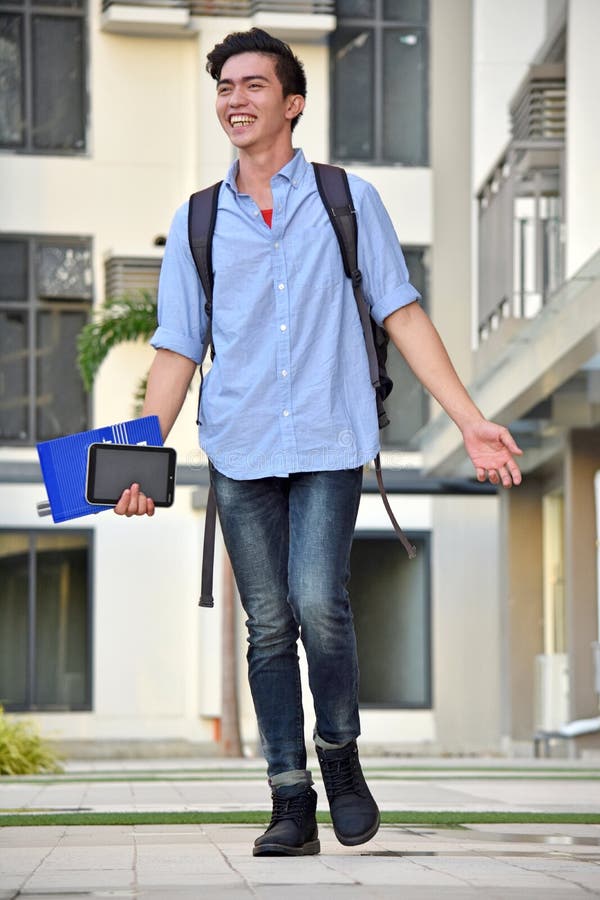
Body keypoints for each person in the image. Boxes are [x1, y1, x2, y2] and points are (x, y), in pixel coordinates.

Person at [116, 28, 523, 857]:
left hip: (333, 437)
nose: (235, 98)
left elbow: (400, 311)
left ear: (292, 103)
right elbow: (176, 349)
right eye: (225, 86)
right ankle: (289, 798)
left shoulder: (346, 198)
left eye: (253, 84)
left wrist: (469, 418)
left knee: (319, 606)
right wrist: (136, 463)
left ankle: (339, 756)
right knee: (267, 624)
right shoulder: (197, 219)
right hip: (239, 444)